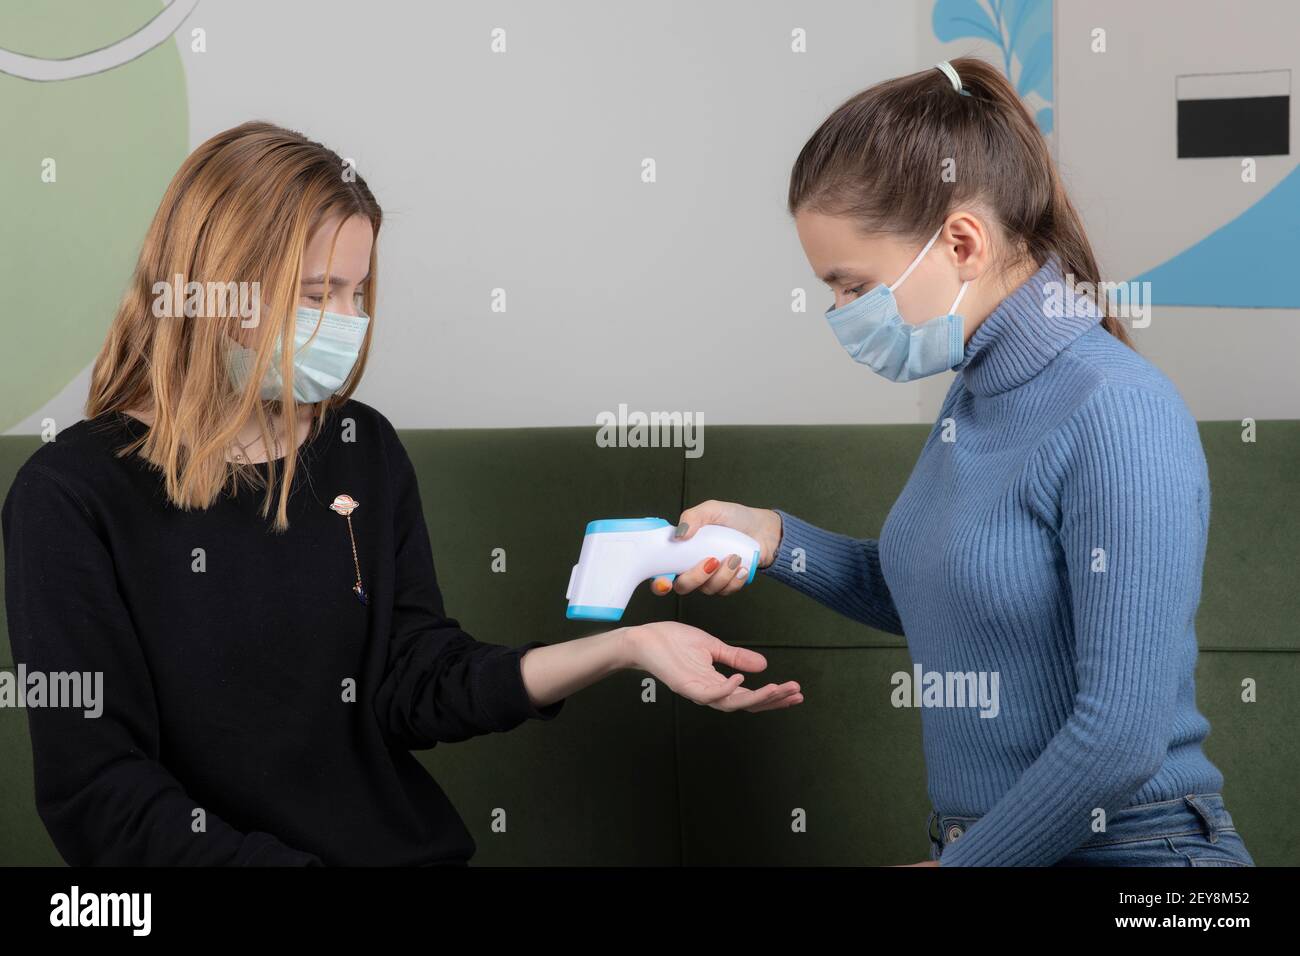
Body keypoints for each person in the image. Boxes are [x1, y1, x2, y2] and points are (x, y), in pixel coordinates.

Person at [0, 120, 801, 866]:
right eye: (316, 294)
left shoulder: (362, 447)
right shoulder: (70, 497)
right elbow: (97, 795)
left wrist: (625, 647)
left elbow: (415, 682)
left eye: (357, 292)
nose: (348, 322)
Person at [662, 59, 1255, 867]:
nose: (840, 314)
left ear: (962, 242)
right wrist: (771, 537)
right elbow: (944, 594)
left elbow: (1122, 735)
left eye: (850, 285)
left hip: (1141, 856)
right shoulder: (977, 392)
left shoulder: (1118, 409)